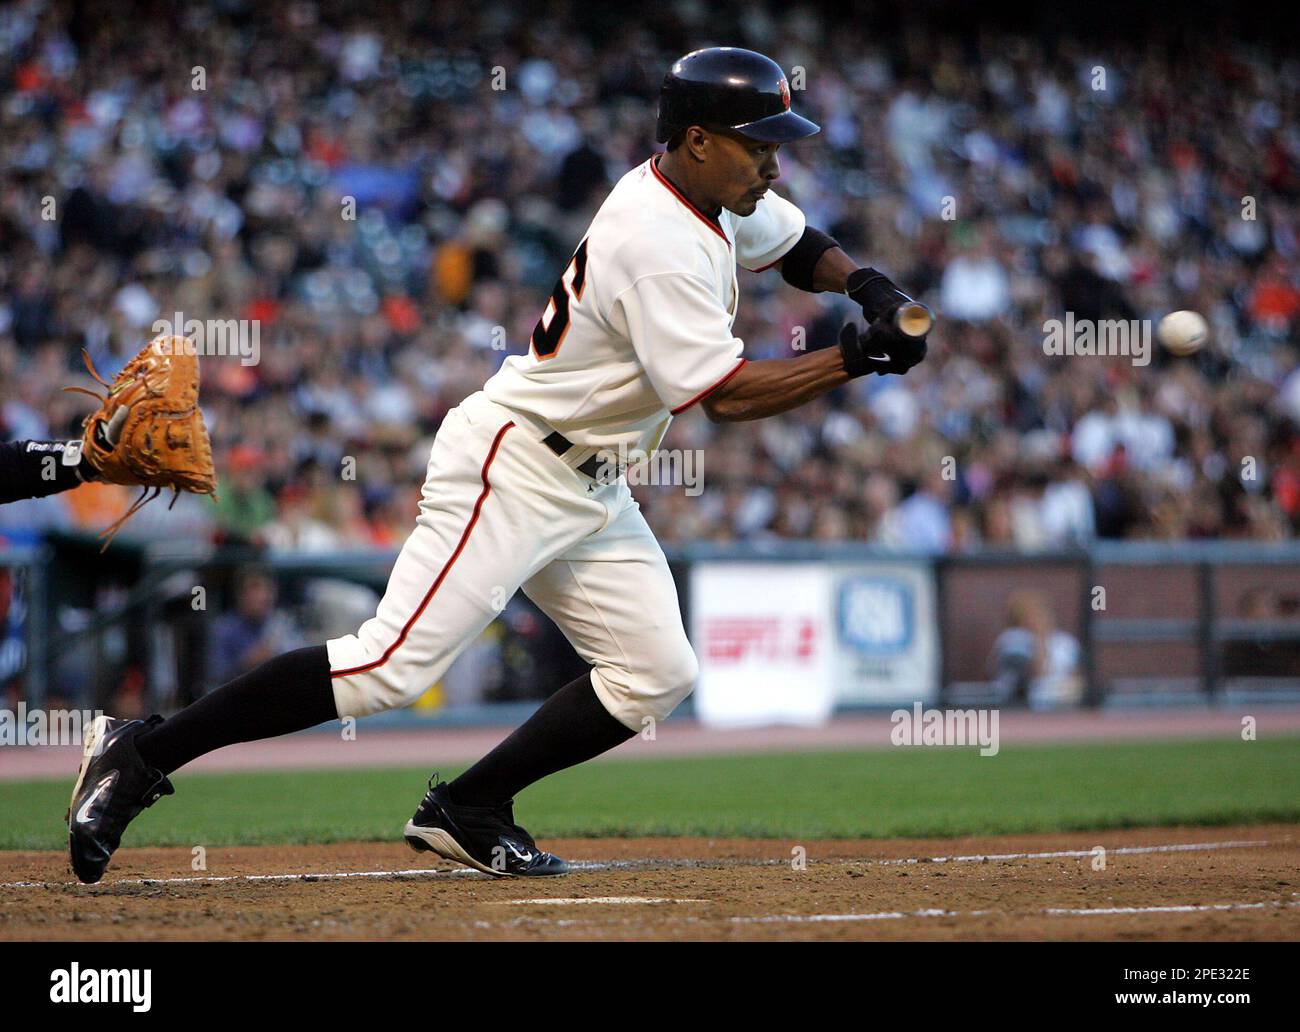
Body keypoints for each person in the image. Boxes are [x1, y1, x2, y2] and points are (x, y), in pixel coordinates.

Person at [63, 47, 931, 883]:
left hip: (595, 483)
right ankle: (140, 753)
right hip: (514, 467)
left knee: (656, 672)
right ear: (699, 139)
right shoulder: (656, 239)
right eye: (759, 143)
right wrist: (858, 358)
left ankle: (470, 808)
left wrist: (871, 288)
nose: (774, 163)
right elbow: (727, 397)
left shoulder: (711, 188)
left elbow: (793, 241)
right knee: (385, 667)